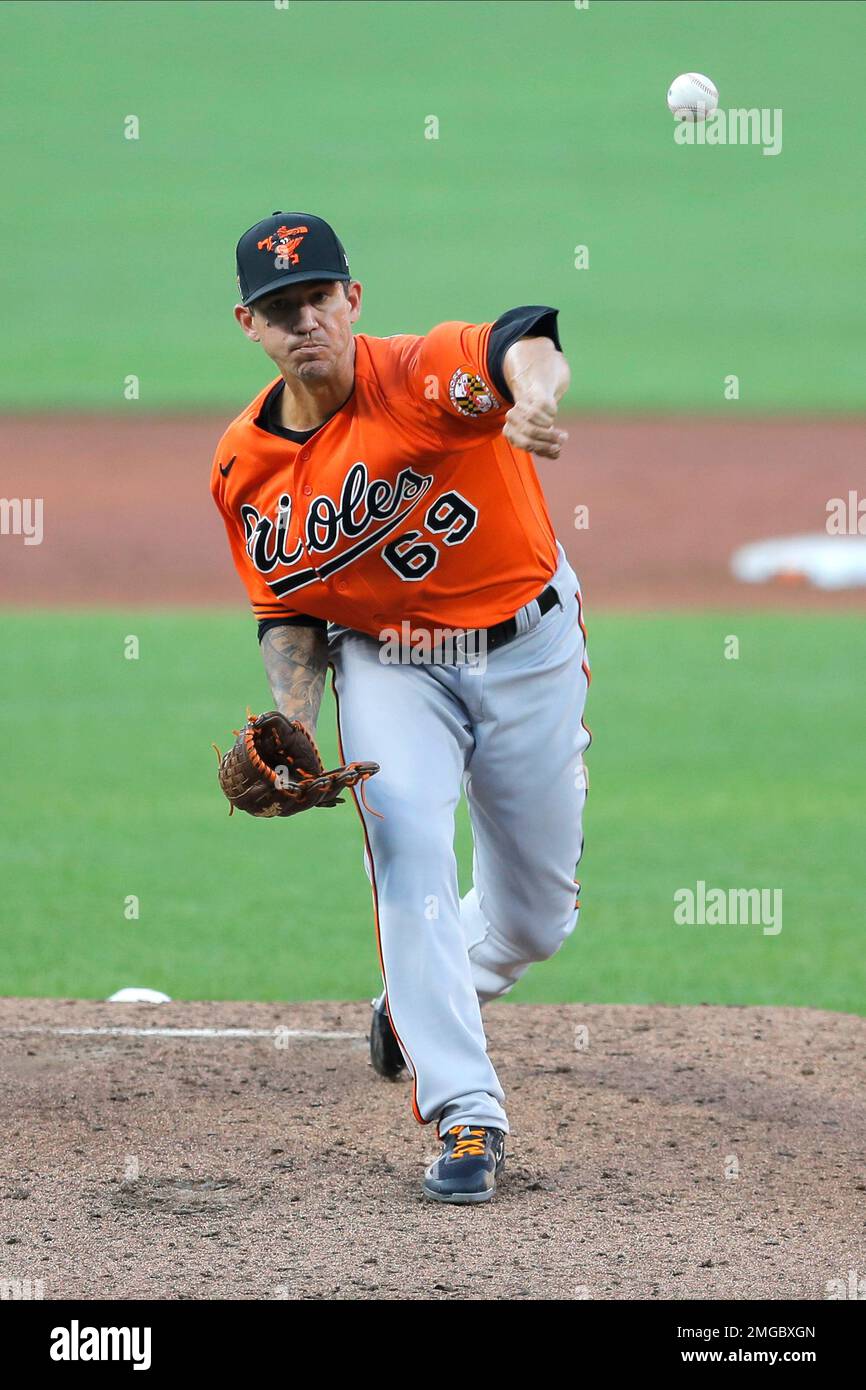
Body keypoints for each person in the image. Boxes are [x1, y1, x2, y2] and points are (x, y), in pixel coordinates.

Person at [211, 211, 591, 1204]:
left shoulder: (418, 375)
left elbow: (521, 339)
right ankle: (466, 1109)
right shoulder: (242, 468)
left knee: (532, 920)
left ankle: (415, 1002)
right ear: (247, 324)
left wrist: (532, 400)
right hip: (389, 664)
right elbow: (285, 607)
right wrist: (289, 720)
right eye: (279, 308)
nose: (305, 322)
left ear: (352, 301)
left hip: (526, 647)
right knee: (406, 834)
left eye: (319, 299)